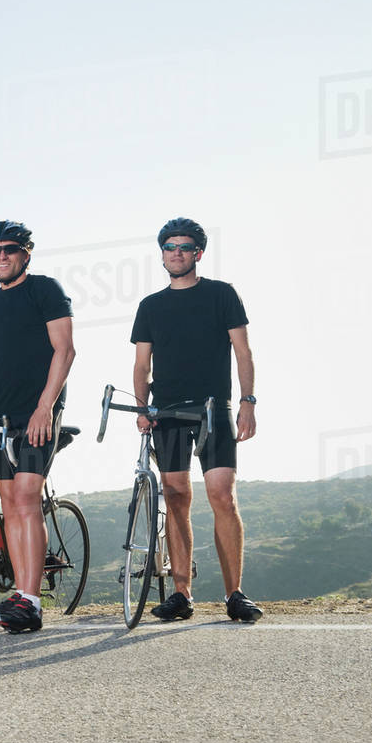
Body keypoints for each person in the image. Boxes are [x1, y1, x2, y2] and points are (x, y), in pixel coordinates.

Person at [134, 217, 262, 623]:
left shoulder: (222, 294)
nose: (177, 253)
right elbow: (141, 365)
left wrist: (247, 401)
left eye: (185, 247)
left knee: (222, 494)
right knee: (175, 496)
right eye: (170, 247)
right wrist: (142, 408)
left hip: (213, 408)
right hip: (167, 412)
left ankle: (235, 594)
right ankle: (181, 594)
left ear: (198, 253)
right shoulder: (150, 306)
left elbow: (243, 351)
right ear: (162, 254)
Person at [0, 221, 75, 634]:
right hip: (1, 419)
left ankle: (31, 603)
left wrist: (44, 408)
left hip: (38, 412)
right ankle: (20, 594)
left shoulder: (45, 290)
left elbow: (65, 350)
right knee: (10, 503)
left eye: (10, 248)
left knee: (27, 497)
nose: (2, 255)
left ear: (26, 253)